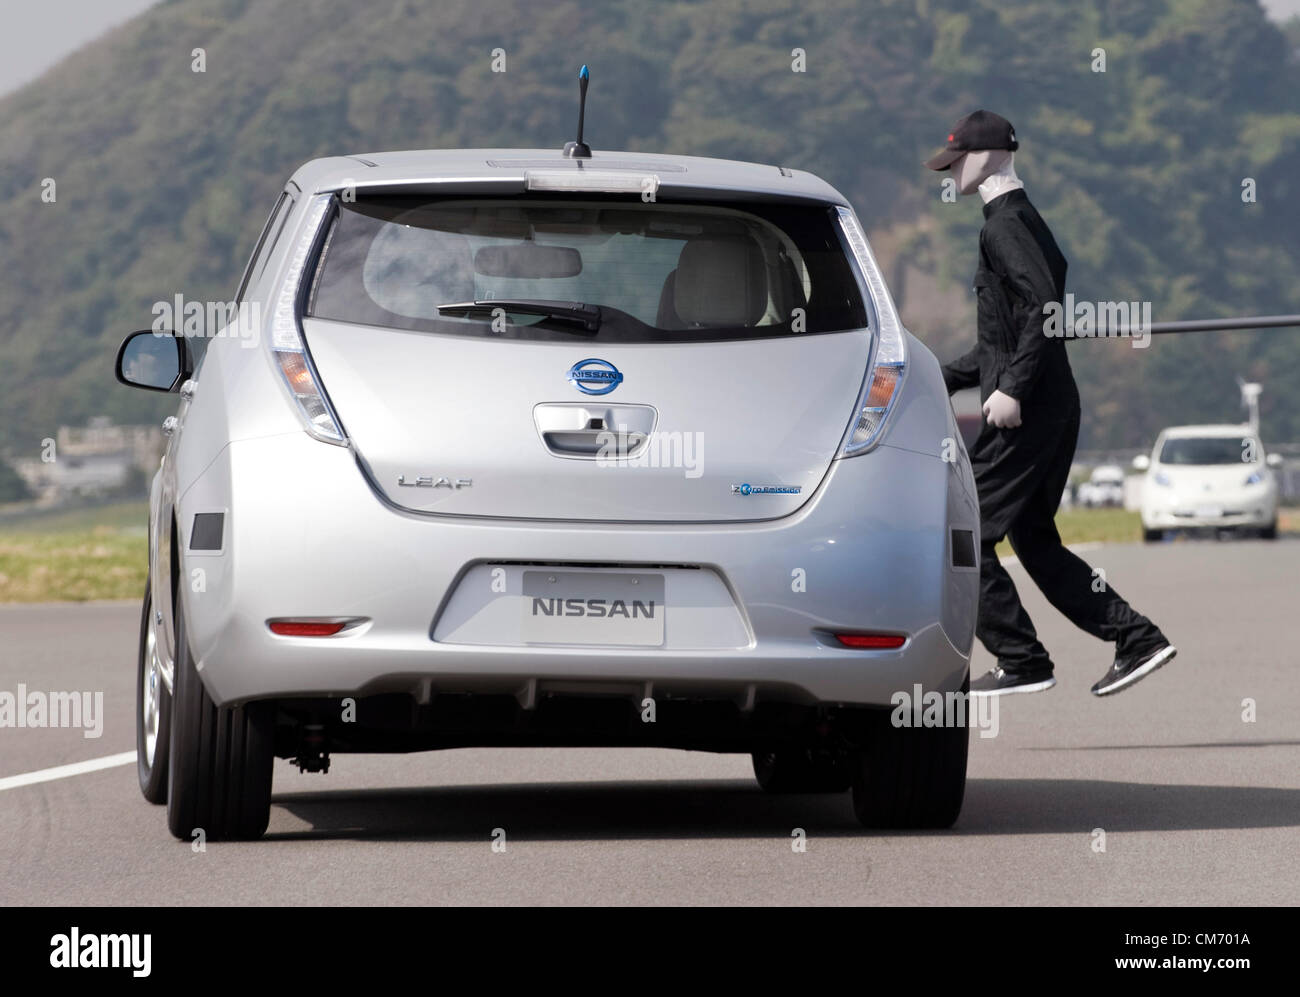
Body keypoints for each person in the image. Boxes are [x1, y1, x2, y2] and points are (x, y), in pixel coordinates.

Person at [923, 109, 1176, 697]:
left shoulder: (1003, 227)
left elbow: (1041, 311)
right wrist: (938, 374)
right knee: (1034, 538)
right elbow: (1006, 335)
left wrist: (1011, 389)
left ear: (985, 157)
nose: (952, 169)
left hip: (1030, 408)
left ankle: (1021, 659)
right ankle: (1135, 638)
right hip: (1051, 402)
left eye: (956, 158)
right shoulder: (1023, 220)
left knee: (960, 530)